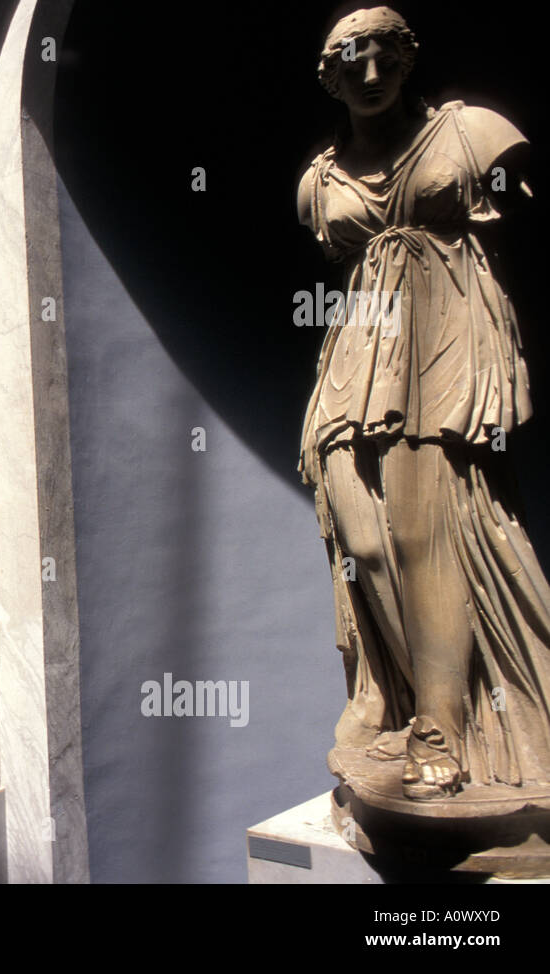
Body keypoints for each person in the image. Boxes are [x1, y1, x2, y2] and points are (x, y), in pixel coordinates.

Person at [298, 7, 550, 798]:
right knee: (362, 541)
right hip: (359, 348)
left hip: (444, 337)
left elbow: (519, 217)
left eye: (383, 57)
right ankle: (414, 704)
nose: (369, 75)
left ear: (406, 60)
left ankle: (447, 724)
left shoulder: (472, 133)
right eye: (351, 62)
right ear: (330, 76)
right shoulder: (320, 180)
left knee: (424, 533)